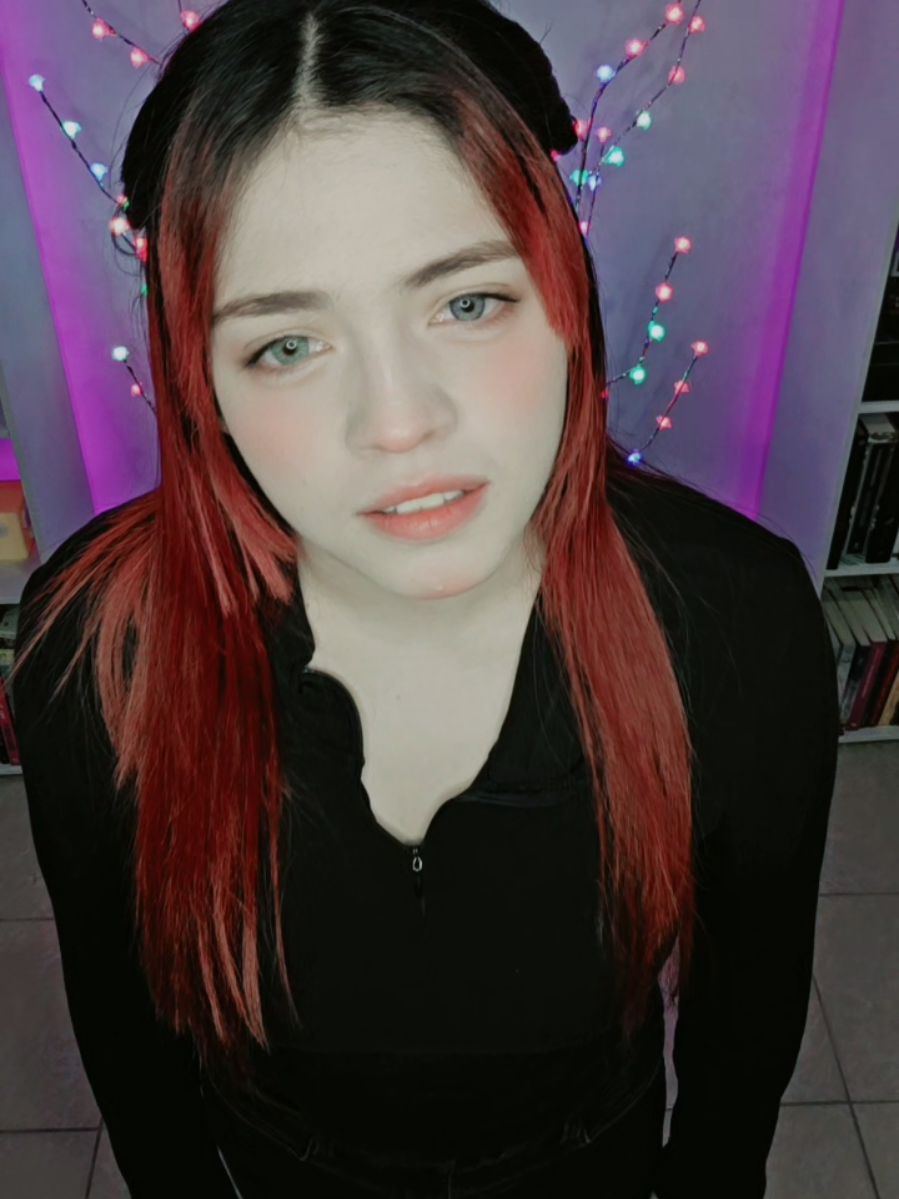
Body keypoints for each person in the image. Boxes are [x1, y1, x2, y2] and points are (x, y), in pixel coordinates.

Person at [9, 1, 841, 1197]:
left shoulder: (733, 625)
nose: (397, 424)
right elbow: (125, 1026)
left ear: (563, 300)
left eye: (465, 302)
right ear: (203, 385)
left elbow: (743, 1027)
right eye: (287, 345)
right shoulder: (97, 650)